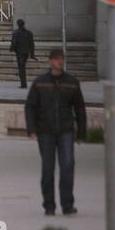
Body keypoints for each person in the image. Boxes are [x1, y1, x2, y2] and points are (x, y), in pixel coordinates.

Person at [24, 48, 87, 216]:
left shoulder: (72, 83)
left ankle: (67, 204)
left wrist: (81, 132)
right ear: (50, 61)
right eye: (56, 59)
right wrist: (31, 129)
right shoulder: (40, 83)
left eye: (62, 59)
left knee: (67, 166)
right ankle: (49, 205)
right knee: (47, 169)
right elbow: (30, 107)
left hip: (66, 130)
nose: (60, 62)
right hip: (45, 131)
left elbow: (80, 108)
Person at [10, 19, 37, 88]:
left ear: (17, 24)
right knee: (22, 67)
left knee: (21, 68)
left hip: (20, 52)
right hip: (26, 52)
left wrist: (11, 49)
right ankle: (23, 83)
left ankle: (23, 84)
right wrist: (32, 54)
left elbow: (14, 42)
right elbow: (32, 44)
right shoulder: (29, 33)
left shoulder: (16, 32)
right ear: (24, 24)